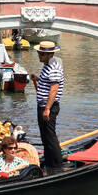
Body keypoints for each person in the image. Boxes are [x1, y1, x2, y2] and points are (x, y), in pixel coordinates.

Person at [33, 40, 65, 172]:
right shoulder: (48, 65)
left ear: (49, 55)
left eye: (41, 54)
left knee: (50, 137)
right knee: (45, 136)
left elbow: (54, 89)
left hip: (48, 107)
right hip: (43, 106)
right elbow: (48, 83)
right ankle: (49, 162)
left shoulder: (53, 68)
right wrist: (37, 79)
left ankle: (56, 166)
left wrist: (47, 109)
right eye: (39, 53)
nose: (39, 55)